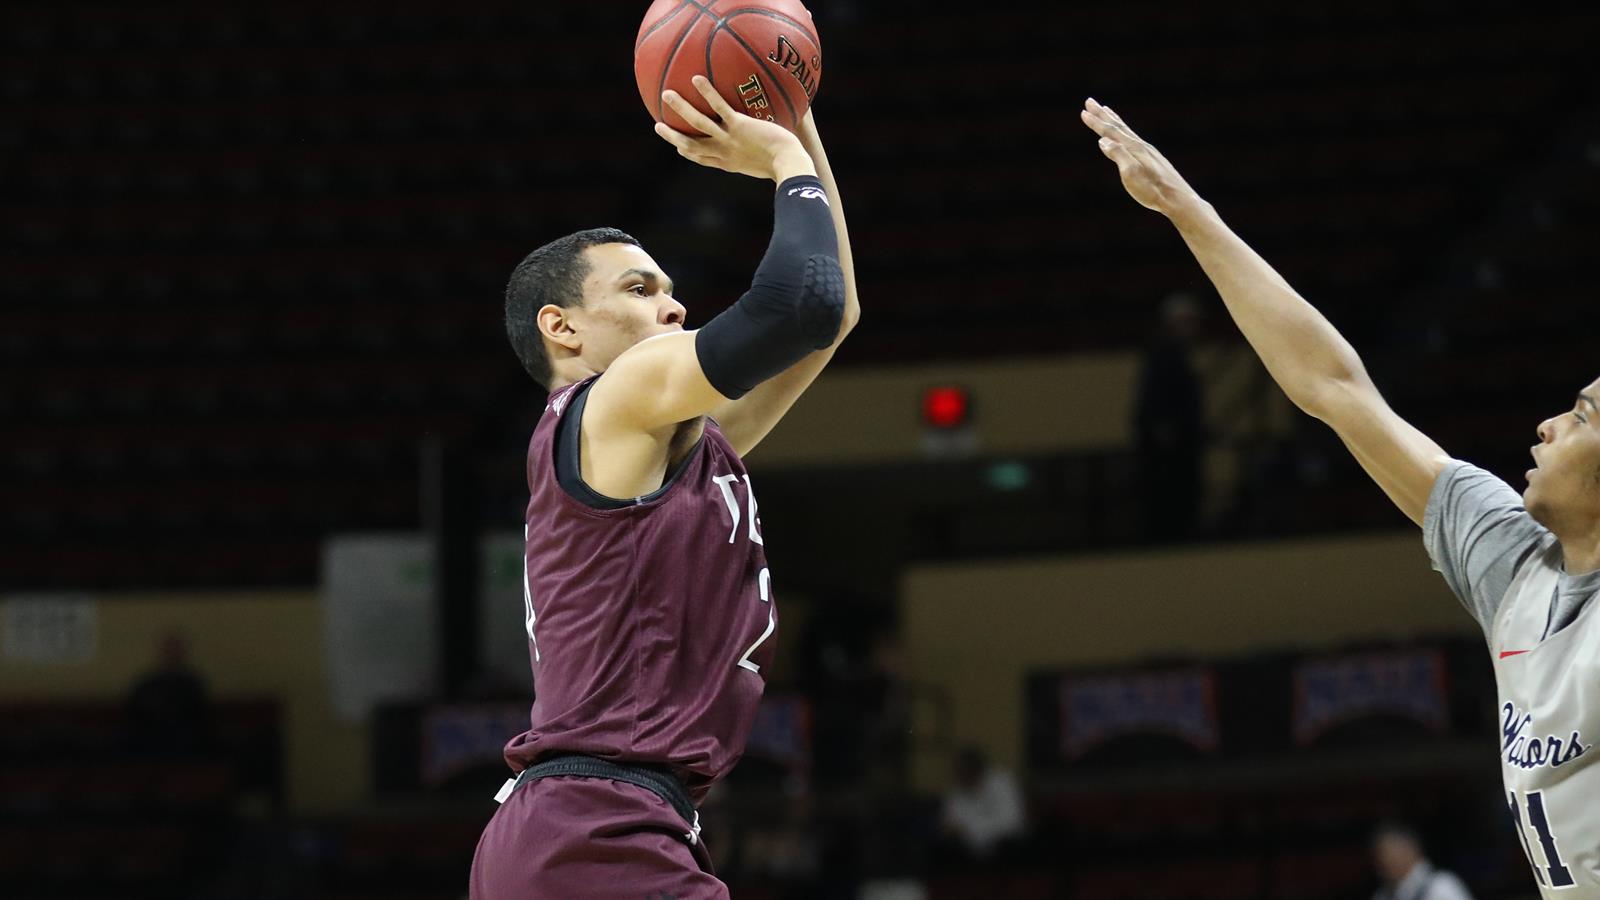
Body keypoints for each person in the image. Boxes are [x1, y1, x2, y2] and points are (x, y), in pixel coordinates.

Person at [1082, 97, 1600, 895]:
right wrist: (1190, 213)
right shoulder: (1513, 566)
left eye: (1582, 416)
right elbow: (1335, 387)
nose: (1548, 425)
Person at [470, 76, 858, 900]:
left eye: (671, 289)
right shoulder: (617, 398)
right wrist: (782, 157)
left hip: (594, 826)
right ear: (562, 326)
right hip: (594, 827)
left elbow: (837, 311)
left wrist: (799, 117)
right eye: (639, 290)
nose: (674, 308)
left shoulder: (667, 441)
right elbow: (800, 304)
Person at [1133, 291, 1207, 540]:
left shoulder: (1178, 357)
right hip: (1169, 453)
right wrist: (1166, 435)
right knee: (1169, 501)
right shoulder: (1163, 357)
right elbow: (1154, 406)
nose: (1192, 329)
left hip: (1180, 446)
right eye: (1186, 322)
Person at [937, 745, 1026, 866]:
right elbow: (949, 826)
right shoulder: (955, 793)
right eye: (959, 772)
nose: (962, 776)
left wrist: (969, 830)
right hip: (967, 855)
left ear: (977, 769)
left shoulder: (1002, 783)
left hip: (1006, 852)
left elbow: (1013, 823)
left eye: (966, 771)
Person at [1370, 821, 1475, 900]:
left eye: (1388, 854)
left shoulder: (1441, 886)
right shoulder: (1383, 895)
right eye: (1379, 857)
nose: (1383, 863)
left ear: (1409, 850)